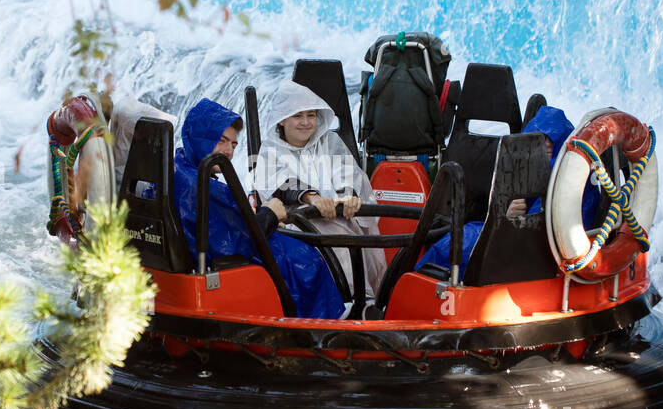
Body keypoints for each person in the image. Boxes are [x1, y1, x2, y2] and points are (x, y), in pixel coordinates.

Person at [173, 97, 344, 320]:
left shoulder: (180, 169)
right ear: (200, 138)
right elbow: (240, 240)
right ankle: (319, 323)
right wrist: (270, 213)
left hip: (205, 252)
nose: (228, 152)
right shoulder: (202, 185)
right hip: (225, 260)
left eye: (233, 145)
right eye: (221, 141)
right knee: (307, 259)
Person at [416, 105, 599, 275]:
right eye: (540, 139)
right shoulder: (535, 172)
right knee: (457, 237)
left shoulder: (566, 179)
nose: (546, 145)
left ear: (562, 143)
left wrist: (509, 221)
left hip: (532, 253)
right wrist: (509, 213)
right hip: (522, 244)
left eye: (551, 140)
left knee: (448, 247)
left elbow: (539, 236)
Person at [255, 81, 387, 299]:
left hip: (341, 219)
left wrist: (348, 196)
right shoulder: (270, 150)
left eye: (311, 115)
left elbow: (347, 172)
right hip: (296, 227)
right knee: (337, 236)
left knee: (355, 234)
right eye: (298, 116)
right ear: (282, 120)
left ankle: (368, 301)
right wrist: (312, 198)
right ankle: (348, 300)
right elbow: (279, 182)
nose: (306, 122)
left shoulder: (330, 141)